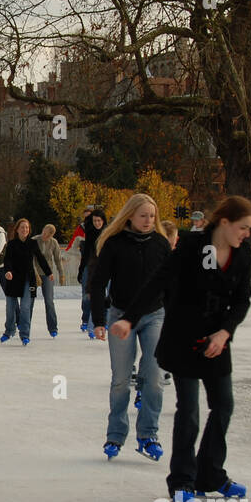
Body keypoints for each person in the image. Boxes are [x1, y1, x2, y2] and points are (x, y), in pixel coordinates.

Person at [118, 196, 251, 502]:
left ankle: (211, 475)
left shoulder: (242, 253)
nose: (246, 234)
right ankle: (181, 482)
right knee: (189, 411)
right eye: (243, 227)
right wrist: (130, 317)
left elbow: (243, 300)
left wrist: (225, 332)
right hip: (183, 338)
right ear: (225, 223)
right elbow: (159, 280)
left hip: (217, 341)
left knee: (223, 406)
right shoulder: (193, 246)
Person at [91, 194, 172, 462]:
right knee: (121, 381)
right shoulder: (114, 244)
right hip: (120, 315)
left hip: (154, 316)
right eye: (143, 216)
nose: (149, 221)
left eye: (152, 216)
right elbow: (98, 283)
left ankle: (148, 435)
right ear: (130, 216)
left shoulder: (161, 244)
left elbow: (171, 284)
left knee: (155, 378)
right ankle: (115, 435)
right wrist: (99, 321)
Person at [0, 218, 52, 344]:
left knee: (25, 308)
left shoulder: (32, 243)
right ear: (17, 229)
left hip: (28, 279)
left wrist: (49, 272)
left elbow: (40, 258)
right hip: (13, 279)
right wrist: (8, 271)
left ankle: (25, 334)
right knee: (10, 309)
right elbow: (7, 260)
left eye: (27, 228)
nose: (25, 230)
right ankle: (9, 331)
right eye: (22, 227)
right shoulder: (11, 244)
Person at [76, 207, 107, 337]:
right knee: (89, 295)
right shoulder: (90, 232)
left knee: (106, 296)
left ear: (103, 221)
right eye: (94, 221)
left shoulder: (109, 232)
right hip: (92, 265)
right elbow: (86, 252)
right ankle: (88, 322)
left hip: (107, 266)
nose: (97, 223)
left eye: (99, 221)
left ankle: (100, 322)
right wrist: (81, 269)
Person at [35, 223, 65, 337]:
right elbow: (31, 259)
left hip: (48, 275)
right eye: (44, 233)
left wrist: (61, 274)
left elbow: (57, 259)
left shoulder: (53, 243)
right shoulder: (34, 240)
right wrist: (36, 274)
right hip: (34, 273)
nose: (44, 236)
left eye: (47, 235)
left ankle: (53, 327)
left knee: (49, 301)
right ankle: (23, 326)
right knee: (29, 301)